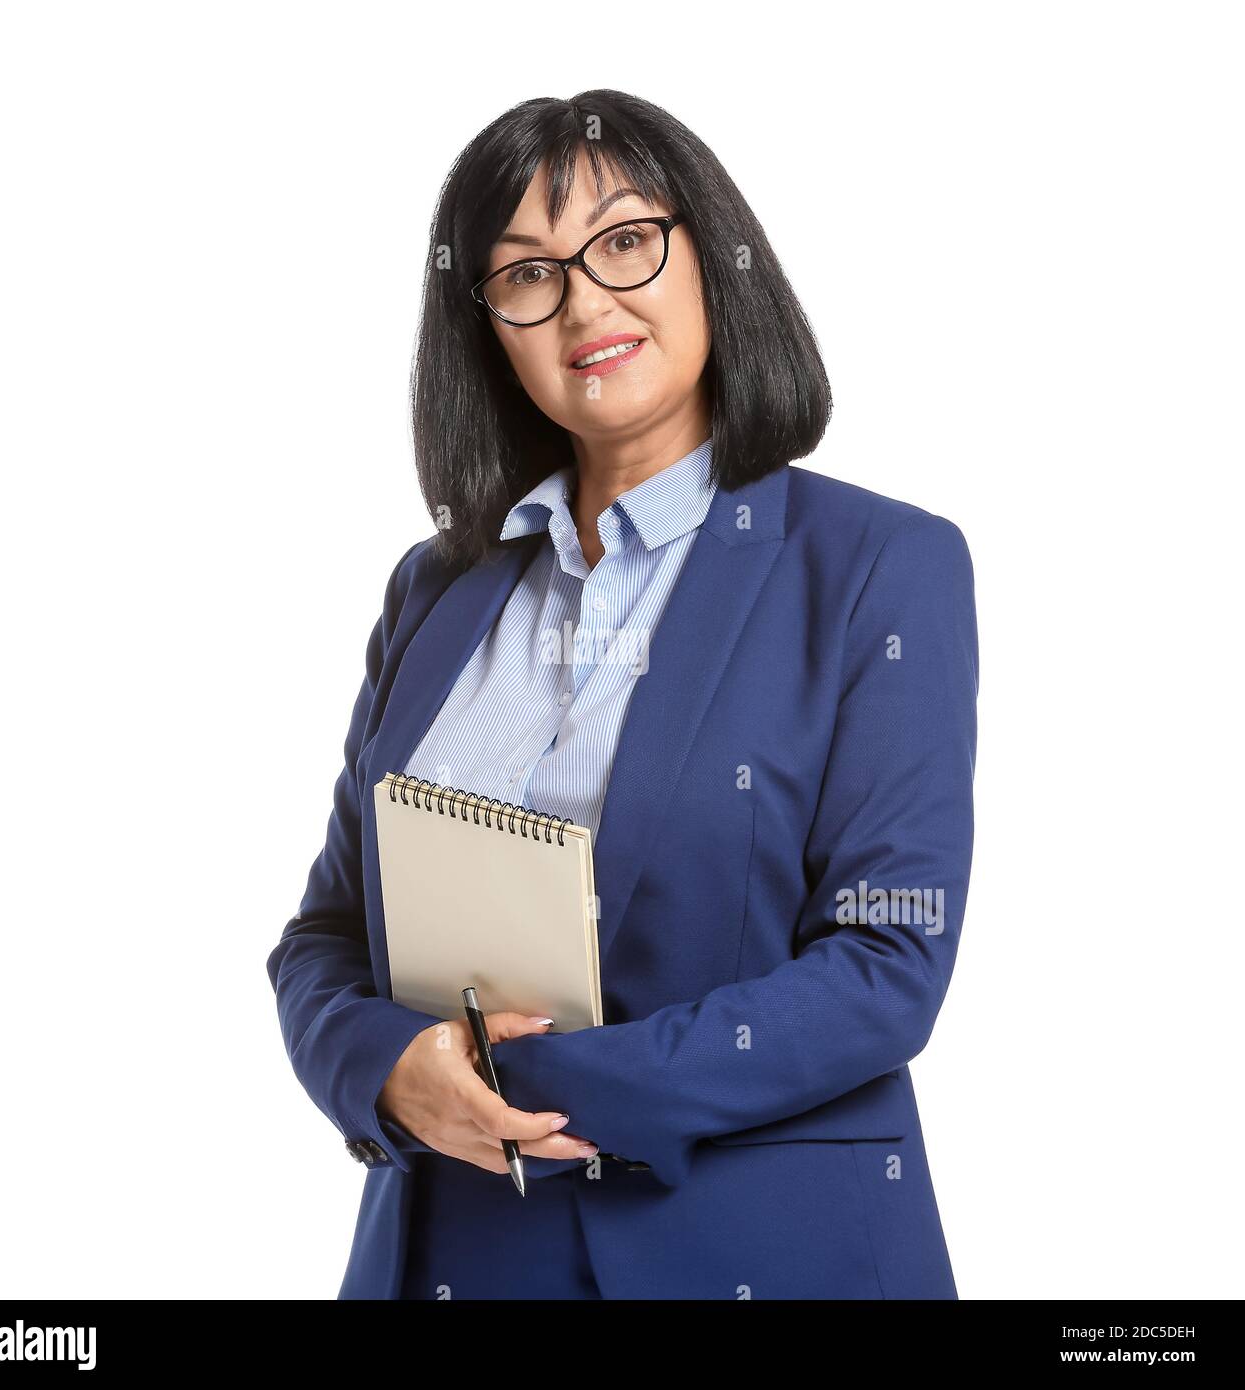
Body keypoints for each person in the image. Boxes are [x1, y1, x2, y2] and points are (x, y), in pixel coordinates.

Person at [266, 88, 978, 1300]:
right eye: (526, 274)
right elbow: (325, 937)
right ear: (487, 324)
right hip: (455, 1248)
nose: (585, 300)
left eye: (624, 242)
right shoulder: (435, 590)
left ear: (709, 253)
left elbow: (884, 961)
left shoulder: (874, 567)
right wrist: (390, 1069)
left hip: (752, 1244)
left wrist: (530, 1082)